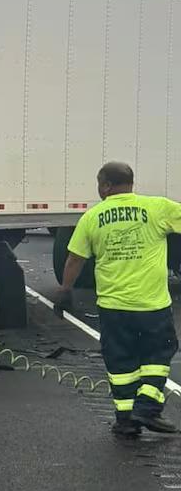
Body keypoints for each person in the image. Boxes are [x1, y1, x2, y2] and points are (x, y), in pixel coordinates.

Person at [57, 162, 180, 437]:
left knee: (121, 362)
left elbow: (75, 259)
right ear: (131, 183)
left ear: (106, 186)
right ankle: (146, 409)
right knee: (159, 354)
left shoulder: (93, 216)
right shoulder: (157, 208)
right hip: (152, 305)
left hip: (113, 308)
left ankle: (126, 420)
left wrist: (65, 291)